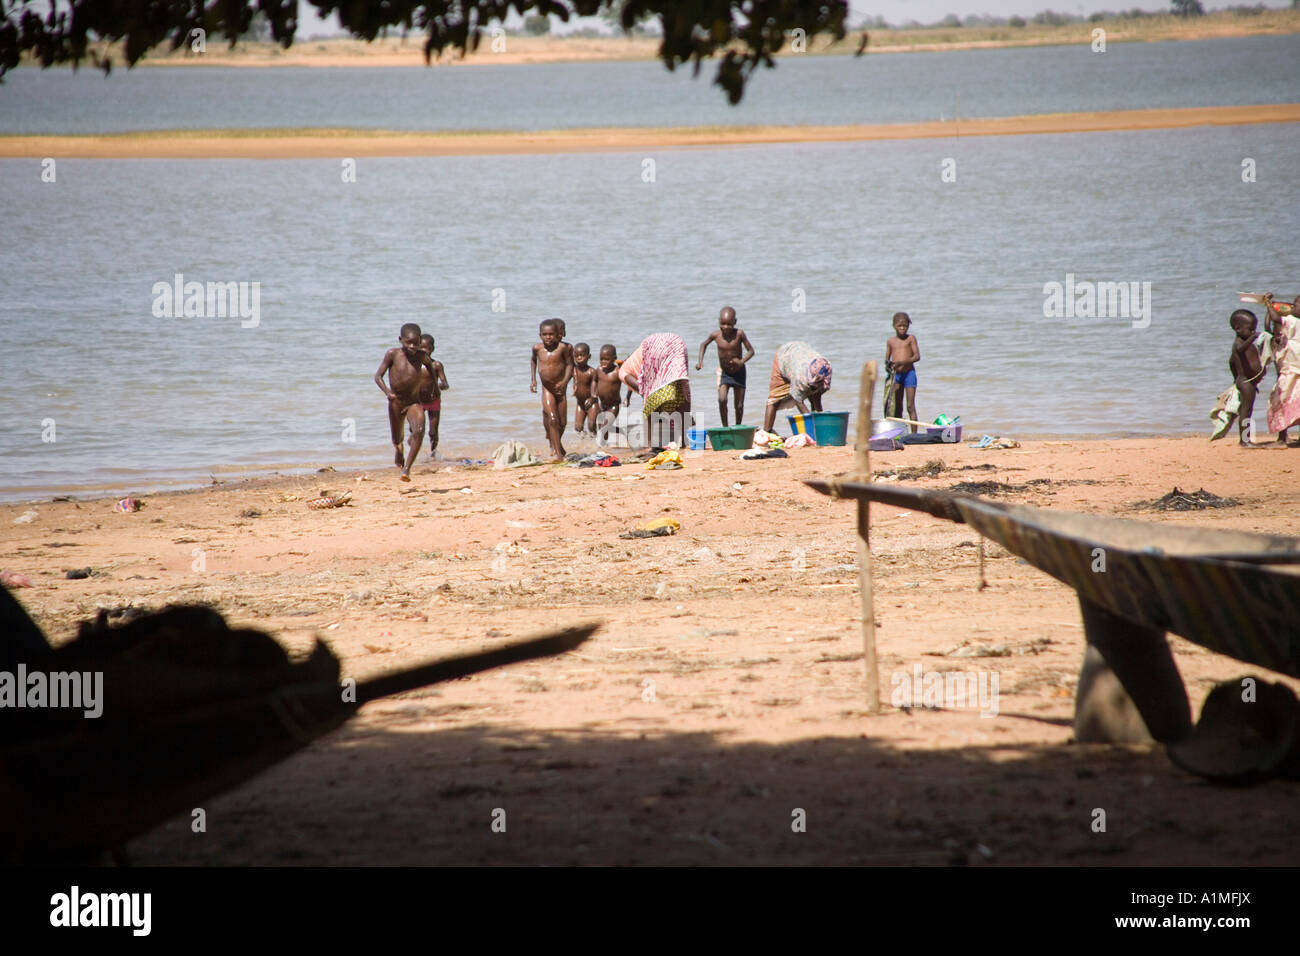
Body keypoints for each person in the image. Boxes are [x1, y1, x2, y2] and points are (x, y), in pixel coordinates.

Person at [374, 323, 436, 481]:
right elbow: (378, 377)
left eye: (416, 342)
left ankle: (406, 469)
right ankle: (399, 450)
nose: (413, 346)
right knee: (397, 439)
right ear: (400, 340)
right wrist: (388, 392)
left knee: (419, 430)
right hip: (396, 402)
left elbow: (431, 366)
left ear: (420, 340)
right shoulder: (392, 354)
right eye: (409, 342)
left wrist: (435, 387)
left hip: (413, 402)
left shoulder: (421, 356)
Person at [620, 333, 692, 449]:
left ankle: (649, 444)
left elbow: (643, 389)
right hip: (677, 342)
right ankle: (683, 442)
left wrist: (653, 399)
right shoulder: (635, 360)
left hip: (654, 346)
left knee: (652, 401)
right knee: (681, 387)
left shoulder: (623, 371)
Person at [696, 305, 756, 426]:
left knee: (738, 405)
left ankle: (738, 426)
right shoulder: (716, 335)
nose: (726, 327)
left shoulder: (739, 334)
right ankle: (725, 427)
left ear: (735, 322)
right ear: (719, 321)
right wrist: (700, 361)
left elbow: (751, 351)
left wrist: (741, 361)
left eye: (729, 324)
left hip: (739, 372)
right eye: (723, 324)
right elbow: (703, 344)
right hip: (725, 373)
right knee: (722, 399)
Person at [1216, 310, 1267, 446]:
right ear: (1238, 329)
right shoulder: (1239, 343)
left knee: (1247, 410)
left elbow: (1231, 362)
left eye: (1254, 329)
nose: (1252, 332)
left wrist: (1236, 378)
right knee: (1245, 411)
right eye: (1250, 329)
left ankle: (1245, 439)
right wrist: (1253, 337)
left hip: (1247, 382)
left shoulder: (1246, 342)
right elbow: (1239, 350)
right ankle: (1245, 440)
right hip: (1245, 382)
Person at [763, 341, 832, 433]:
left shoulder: (824, 369)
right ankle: (767, 431)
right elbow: (798, 400)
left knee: (815, 394)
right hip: (785, 355)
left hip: (801, 352)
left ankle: (817, 430)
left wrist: (820, 418)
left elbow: (817, 395)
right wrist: (811, 422)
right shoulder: (800, 376)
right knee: (775, 397)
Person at [530, 318, 573, 460]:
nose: (548, 337)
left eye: (551, 334)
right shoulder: (537, 348)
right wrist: (533, 380)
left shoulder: (563, 348)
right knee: (553, 419)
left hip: (561, 389)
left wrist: (565, 381)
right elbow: (533, 361)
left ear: (557, 335)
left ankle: (556, 445)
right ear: (540, 335)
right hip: (547, 389)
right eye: (545, 334)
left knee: (563, 422)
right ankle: (558, 452)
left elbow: (569, 365)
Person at [1264, 294, 1300, 446]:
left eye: (1296, 305)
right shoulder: (1291, 324)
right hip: (1291, 369)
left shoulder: (1291, 321)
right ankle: (1283, 436)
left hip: (1292, 370)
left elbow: (1275, 319)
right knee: (1288, 400)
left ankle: (1282, 438)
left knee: (1285, 400)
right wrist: (1270, 309)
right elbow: (1270, 326)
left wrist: (1269, 305)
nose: (1293, 307)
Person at [884, 312, 921, 432]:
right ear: (894, 326)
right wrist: (889, 366)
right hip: (897, 376)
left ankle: (914, 434)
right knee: (897, 406)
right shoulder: (890, 341)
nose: (902, 328)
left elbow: (917, 357)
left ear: (908, 326)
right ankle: (899, 432)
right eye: (899, 326)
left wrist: (902, 362)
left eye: (905, 326)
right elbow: (887, 359)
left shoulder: (911, 339)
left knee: (910, 406)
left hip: (909, 374)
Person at [417, 334, 450, 459]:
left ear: (433, 349)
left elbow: (445, 383)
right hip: (418, 402)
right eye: (422, 347)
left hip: (434, 401)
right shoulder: (414, 365)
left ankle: (433, 453)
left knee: (433, 431)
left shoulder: (436, 365)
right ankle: (415, 453)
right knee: (416, 429)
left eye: (428, 348)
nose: (425, 350)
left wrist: (439, 386)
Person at [593, 344, 625, 445]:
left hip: (613, 406)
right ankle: (604, 446)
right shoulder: (599, 370)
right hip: (602, 405)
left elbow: (628, 382)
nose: (603, 362)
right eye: (601, 359)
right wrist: (593, 394)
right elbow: (594, 381)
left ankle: (621, 433)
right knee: (601, 427)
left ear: (614, 359)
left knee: (604, 427)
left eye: (606, 359)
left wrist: (628, 397)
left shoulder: (618, 371)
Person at [571, 343, 599, 437]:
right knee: (578, 427)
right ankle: (584, 444)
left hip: (592, 402)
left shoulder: (592, 371)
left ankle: (596, 440)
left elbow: (596, 386)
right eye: (576, 356)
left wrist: (592, 398)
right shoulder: (573, 370)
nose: (579, 358)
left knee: (591, 425)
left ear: (589, 356)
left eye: (582, 355)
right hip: (580, 403)